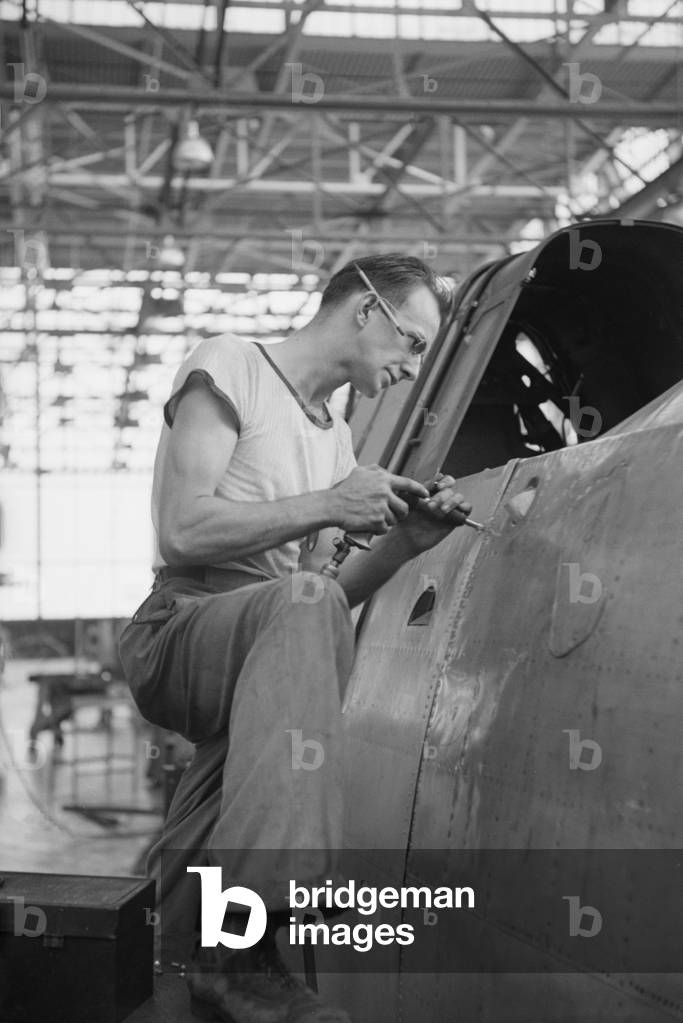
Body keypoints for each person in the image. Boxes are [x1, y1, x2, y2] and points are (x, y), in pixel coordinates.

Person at [118, 254, 472, 1023]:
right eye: (411, 342)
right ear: (364, 310)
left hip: (261, 652)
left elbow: (320, 606)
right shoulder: (230, 364)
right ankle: (243, 945)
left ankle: (186, 963)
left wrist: (405, 541)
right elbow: (184, 530)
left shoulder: (335, 439)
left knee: (175, 919)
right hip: (181, 627)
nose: (413, 367)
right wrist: (327, 503)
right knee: (300, 600)